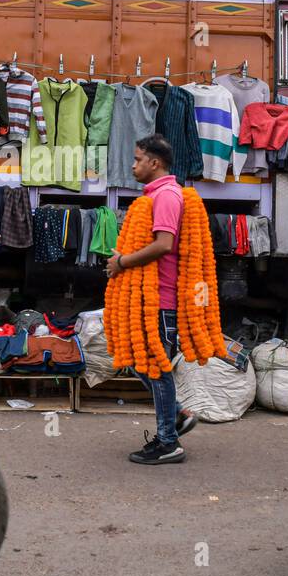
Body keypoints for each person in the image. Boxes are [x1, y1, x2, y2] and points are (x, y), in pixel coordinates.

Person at [105, 135, 198, 464]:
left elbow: (163, 245)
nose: (133, 165)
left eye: (138, 158)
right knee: (141, 364)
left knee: (157, 369)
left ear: (154, 163)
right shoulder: (155, 196)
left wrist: (122, 263)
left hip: (161, 302)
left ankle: (168, 441)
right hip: (148, 302)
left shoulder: (168, 196)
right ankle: (177, 416)